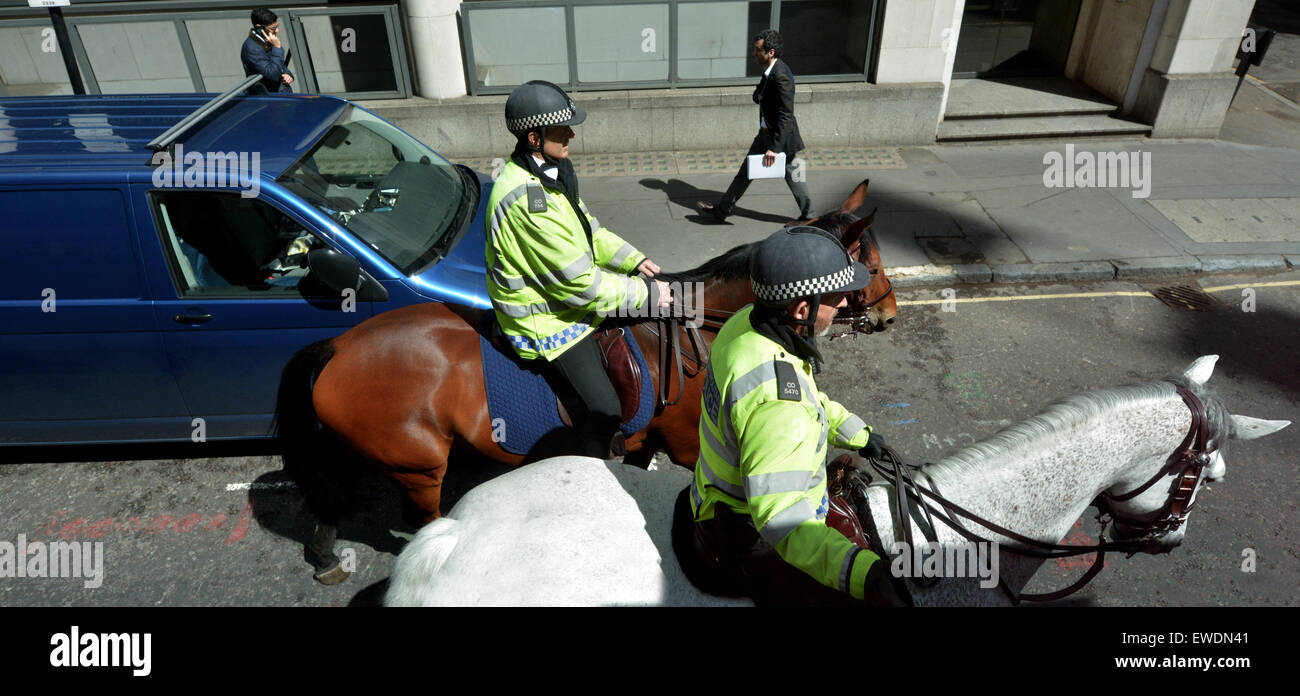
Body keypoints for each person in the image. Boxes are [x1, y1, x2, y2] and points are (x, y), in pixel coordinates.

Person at [681, 226, 905, 606]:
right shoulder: (777, 403)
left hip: (714, 496)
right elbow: (784, 521)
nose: (845, 303)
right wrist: (864, 575)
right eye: (836, 297)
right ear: (803, 309)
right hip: (750, 535)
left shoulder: (748, 323)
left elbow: (812, 400)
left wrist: (860, 435)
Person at [487, 80, 672, 459]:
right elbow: (580, 285)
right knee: (605, 409)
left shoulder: (553, 172)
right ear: (534, 138)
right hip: (548, 321)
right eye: (562, 129)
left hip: (570, 301)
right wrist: (648, 295)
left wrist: (632, 259)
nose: (571, 134)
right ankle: (586, 471)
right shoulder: (528, 200)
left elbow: (590, 231)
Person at [698, 29, 811, 222]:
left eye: (758, 50)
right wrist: (759, 95)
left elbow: (786, 114)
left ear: (771, 52)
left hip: (779, 139)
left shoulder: (781, 75)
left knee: (793, 175)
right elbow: (757, 95)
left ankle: (811, 215)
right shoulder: (770, 72)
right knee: (745, 172)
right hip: (764, 134)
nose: (754, 53)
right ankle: (723, 210)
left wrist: (774, 149)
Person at [241, 8, 294, 94]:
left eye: (277, 26)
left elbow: (279, 64)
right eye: (273, 28)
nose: (277, 30)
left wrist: (288, 74)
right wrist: (277, 47)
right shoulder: (252, 49)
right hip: (268, 97)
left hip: (280, 93)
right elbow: (272, 74)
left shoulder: (266, 39)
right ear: (259, 27)